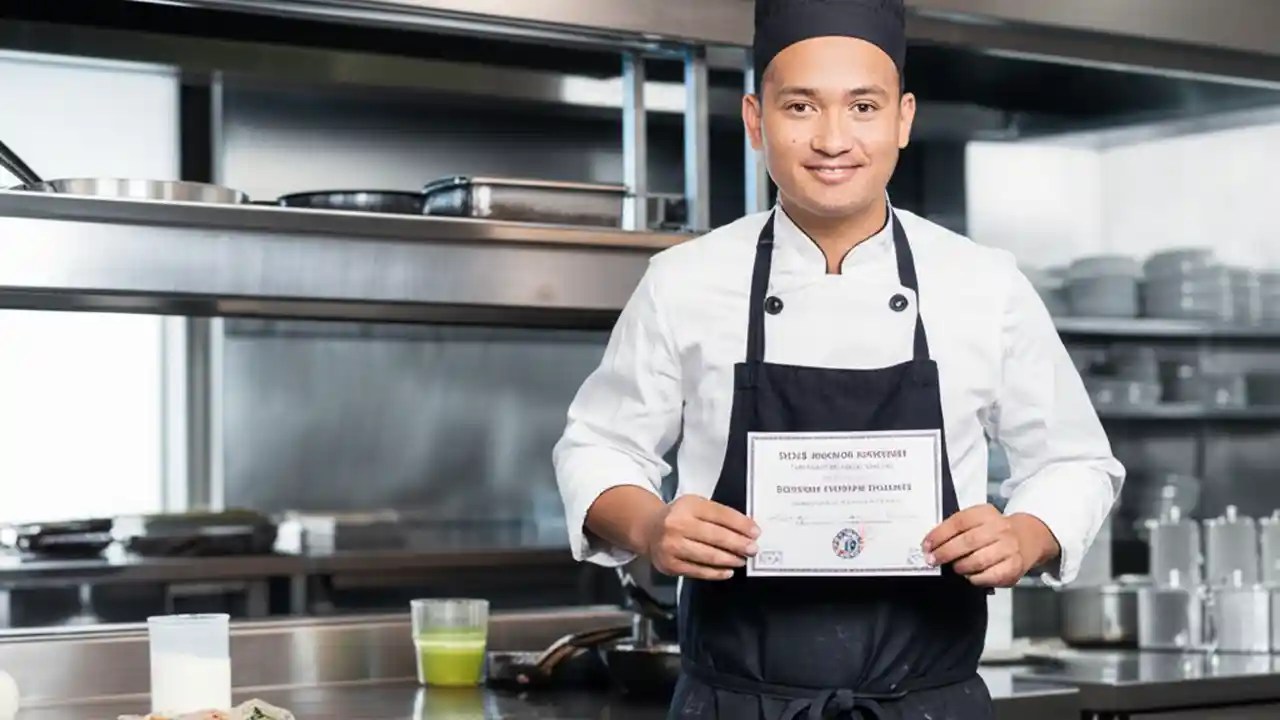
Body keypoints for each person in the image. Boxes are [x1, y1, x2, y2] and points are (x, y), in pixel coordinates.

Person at [553, 0, 1124, 717]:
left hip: (929, 704)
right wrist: (650, 527)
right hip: (737, 704)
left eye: (862, 105)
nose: (832, 138)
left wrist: (1025, 534)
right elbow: (596, 447)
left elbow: (1078, 463)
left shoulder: (984, 282)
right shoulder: (685, 280)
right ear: (757, 121)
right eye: (800, 106)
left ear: (903, 119)